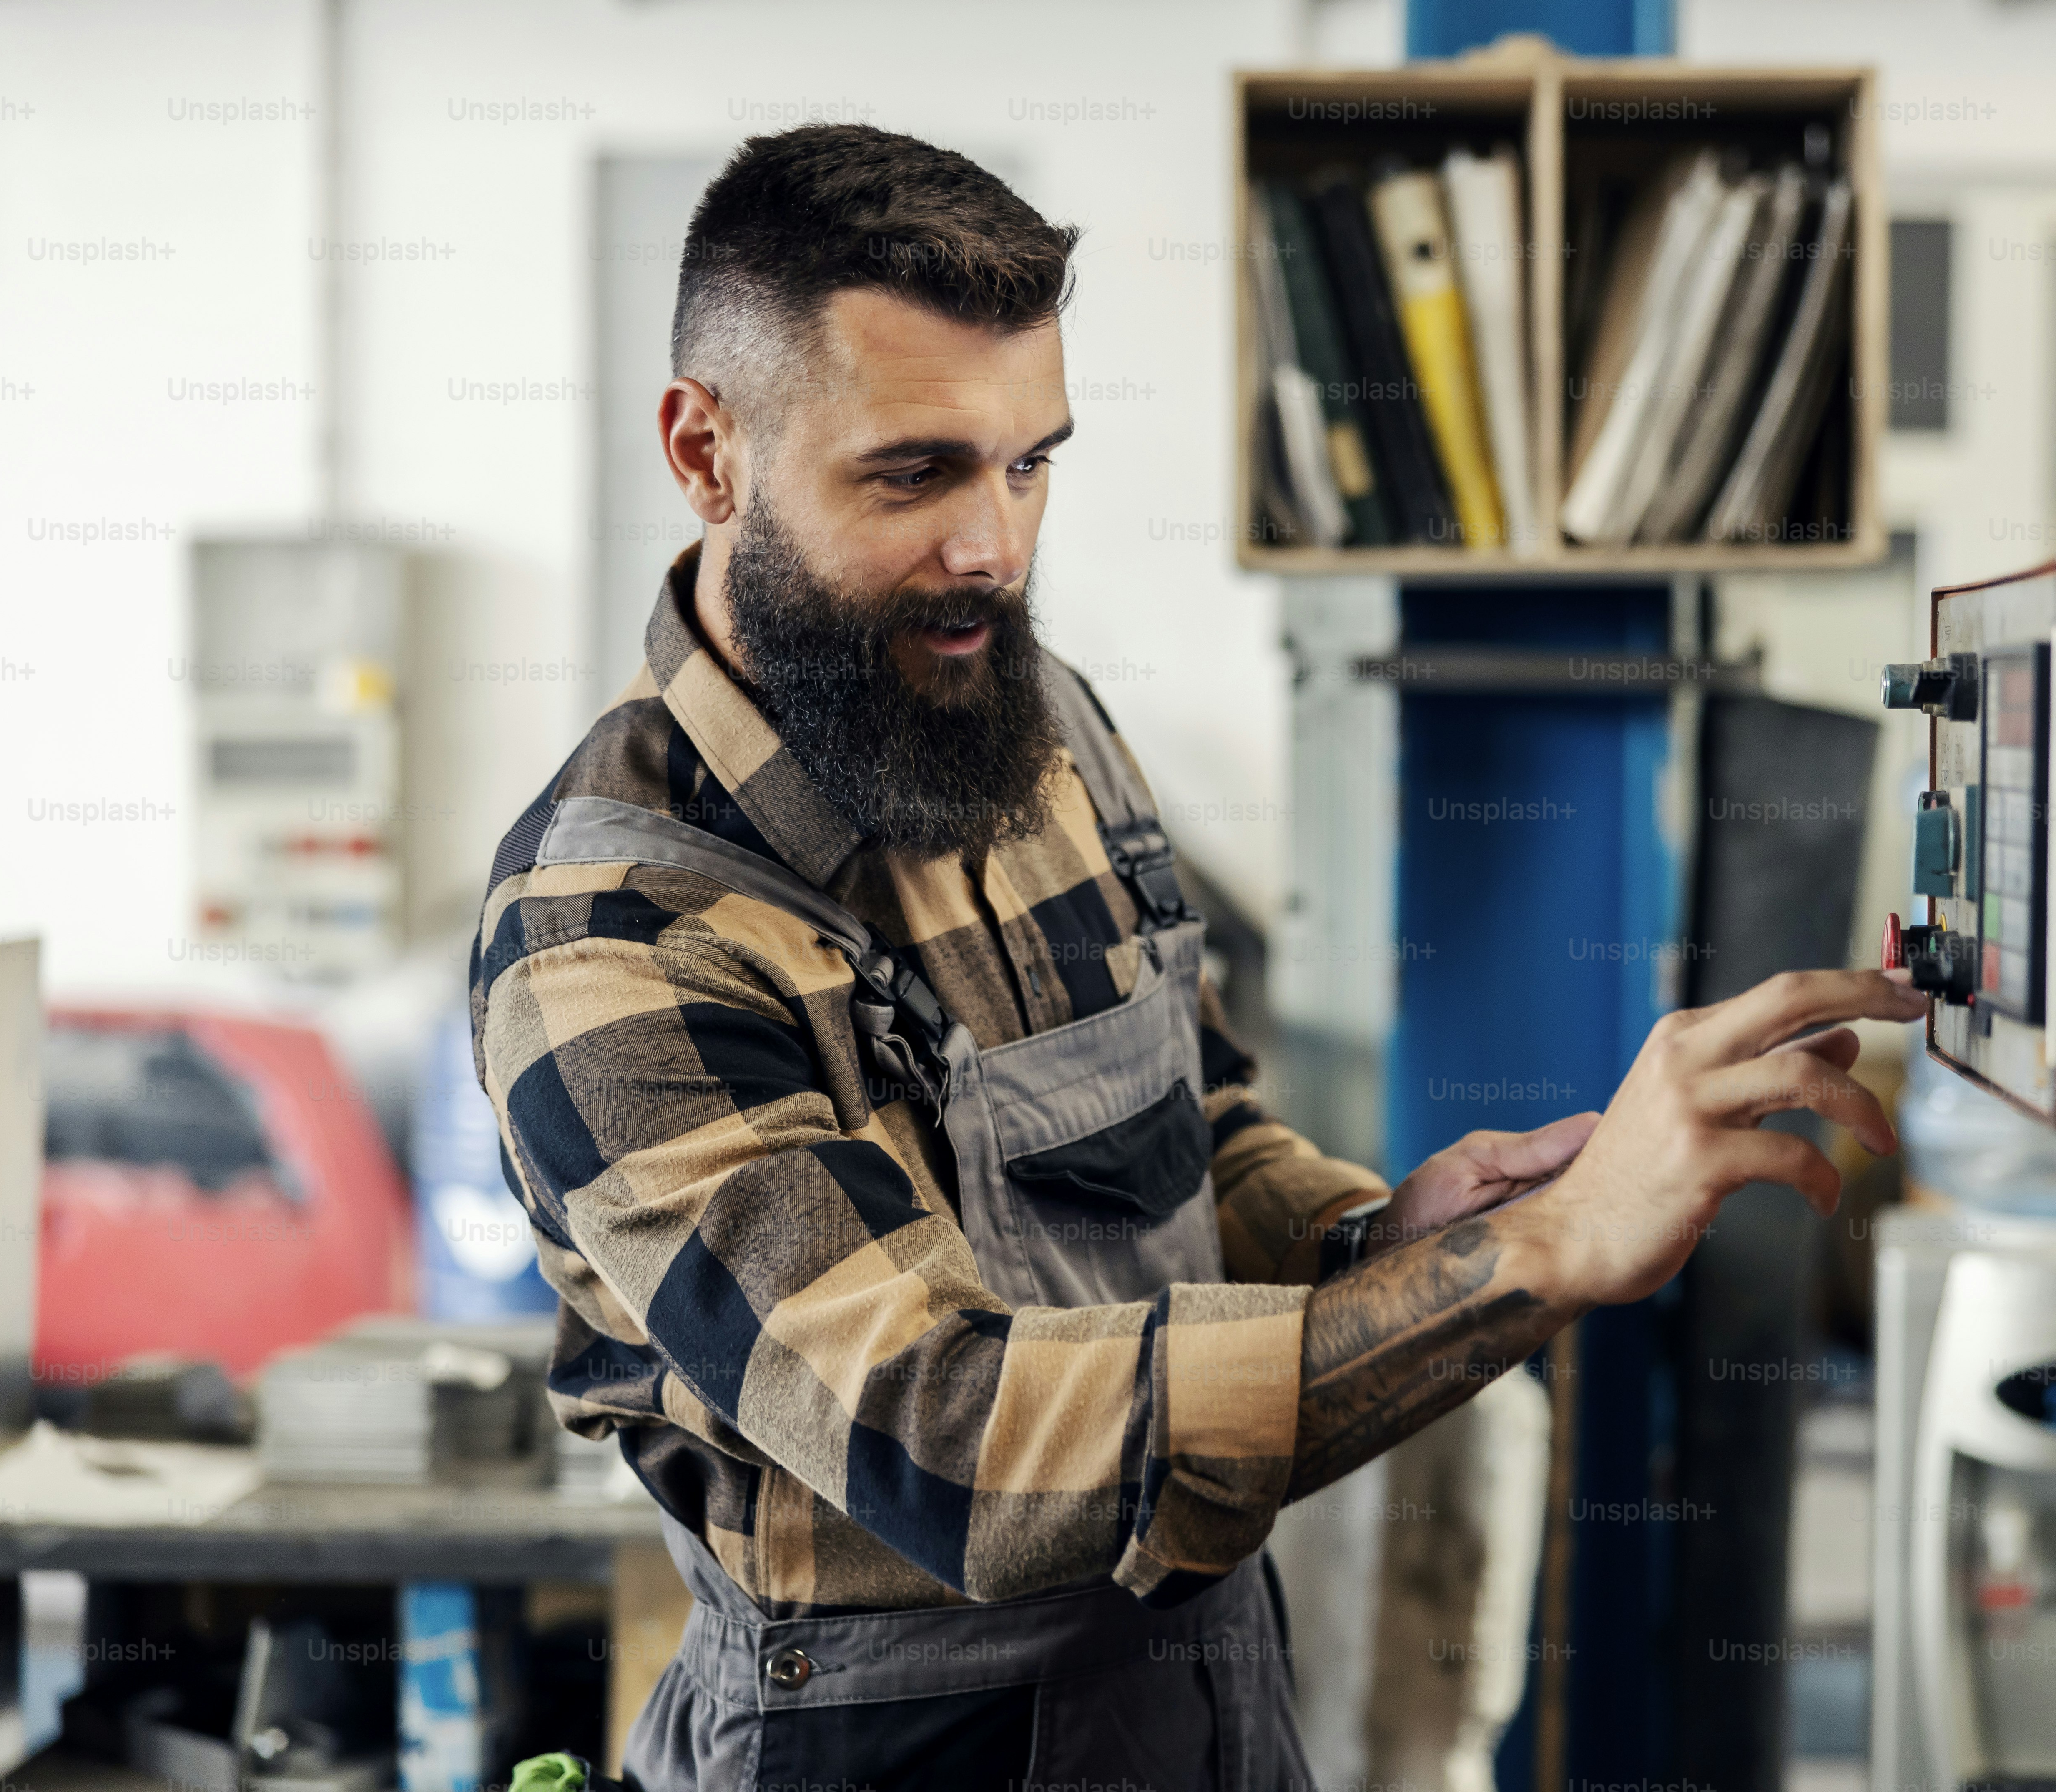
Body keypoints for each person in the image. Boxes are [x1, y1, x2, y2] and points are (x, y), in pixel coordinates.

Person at [471, 123, 1927, 1792]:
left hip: (1202, 1705)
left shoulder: (1040, 729)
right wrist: (1540, 1263)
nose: (995, 549)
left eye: (1032, 464)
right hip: (884, 1746)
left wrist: (1383, 1235)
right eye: (915, 472)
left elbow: (1188, 1119)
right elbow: (951, 1443)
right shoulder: (612, 935)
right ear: (705, 450)